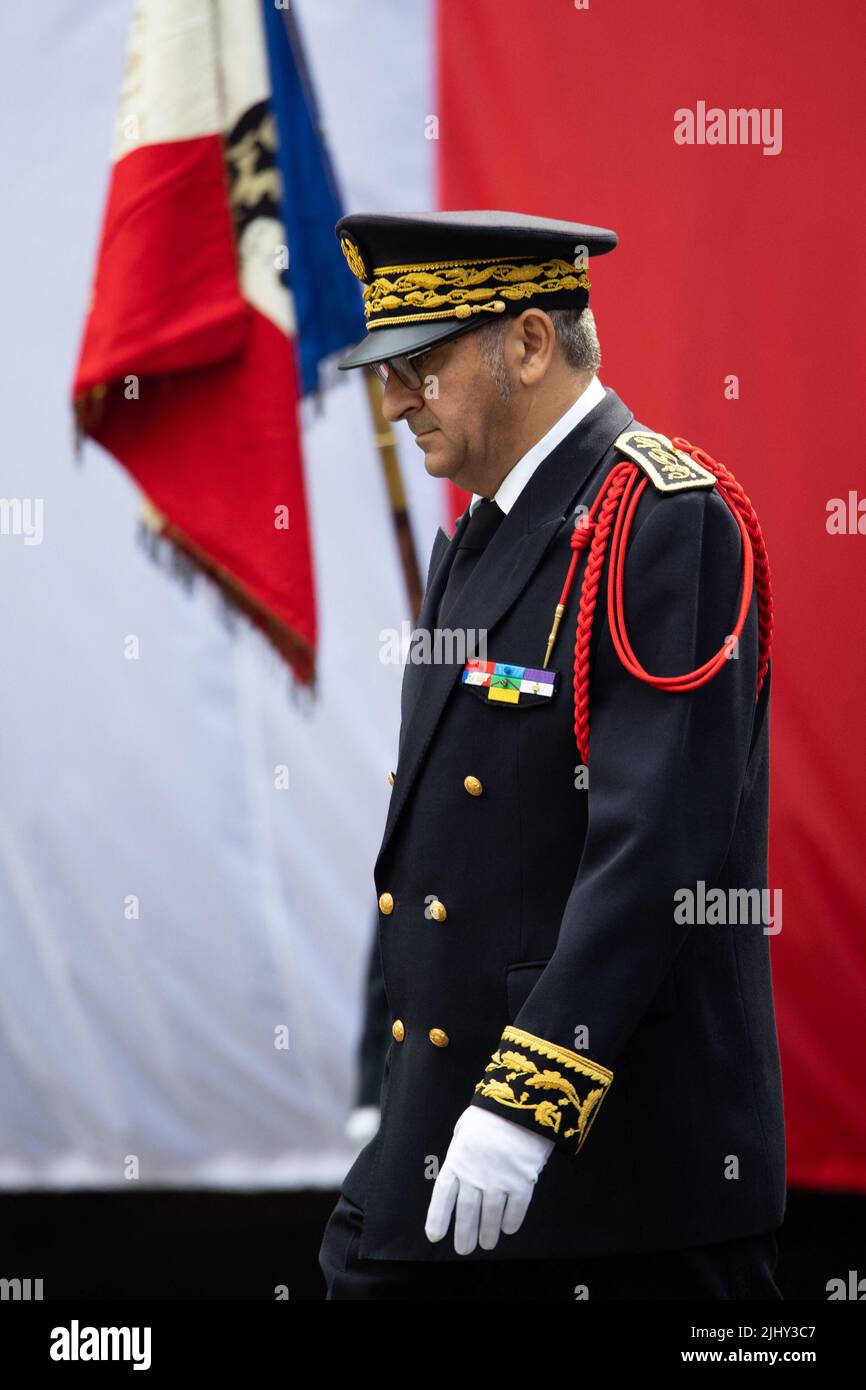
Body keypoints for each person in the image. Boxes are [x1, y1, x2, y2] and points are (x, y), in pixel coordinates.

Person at [319, 210, 786, 1300]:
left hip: (606, 1175)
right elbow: (438, 848)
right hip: (449, 1131)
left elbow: (652, 851)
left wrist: (526, 1102)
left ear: (527, 344)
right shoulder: (479, 529)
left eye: (420, 368)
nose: (391, 404)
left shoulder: (663, 519)